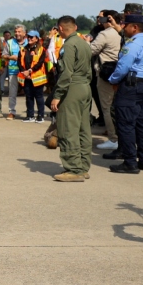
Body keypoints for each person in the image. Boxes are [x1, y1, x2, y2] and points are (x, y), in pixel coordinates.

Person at [107, 14, 143, 174]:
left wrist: (113, 80)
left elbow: (122, 67)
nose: (123, 27)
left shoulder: (133, 45)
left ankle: (130, 162)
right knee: (142, 124)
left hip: (131, 87)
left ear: (134, 27)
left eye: (125, 25)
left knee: (126, 125)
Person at [49, 16, 93, 182]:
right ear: (74, 26)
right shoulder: (83, 43)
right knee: (83, 129)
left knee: (68, 128)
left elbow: (66, 72)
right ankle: (82, 166)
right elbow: (89, 70)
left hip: (72, 88)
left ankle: (73, 169)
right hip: (84, 87)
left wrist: (57, 95)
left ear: (60, 28)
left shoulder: (68, 45)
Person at [90, 10, 122, 151]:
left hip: (106, 73)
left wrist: (85, 43)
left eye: (101, 18)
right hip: (119, 72)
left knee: (107, 107)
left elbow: (91, 50)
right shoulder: (120, 34)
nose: (99, 20)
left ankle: (113, 138)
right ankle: (119, 135)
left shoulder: (105, 34)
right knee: (116, 106)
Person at [18, 30, 49, 123]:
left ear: (37, 39)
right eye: (28, 37)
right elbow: (19, 62)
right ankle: (30, 115)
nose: (29, 38)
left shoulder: (41, 49)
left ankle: (40, 116)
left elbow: (40, 63)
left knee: (39, 97)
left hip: (37, 77)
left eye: (32, 37)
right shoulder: (23, 49)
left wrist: (30, 71)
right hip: (26, 77)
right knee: (29, 97)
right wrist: (24, 72)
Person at [4, 26, 23, 120]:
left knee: (29, 93)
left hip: (26, 72)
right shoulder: (10, 42)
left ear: (24, 33)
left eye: (19, 32)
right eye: (15, 31)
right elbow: (4, 55)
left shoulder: (30, 41)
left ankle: (30, 113)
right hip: (13, 70)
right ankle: (11, 112)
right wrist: (11, 57)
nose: (17, 33)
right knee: (12, 93)